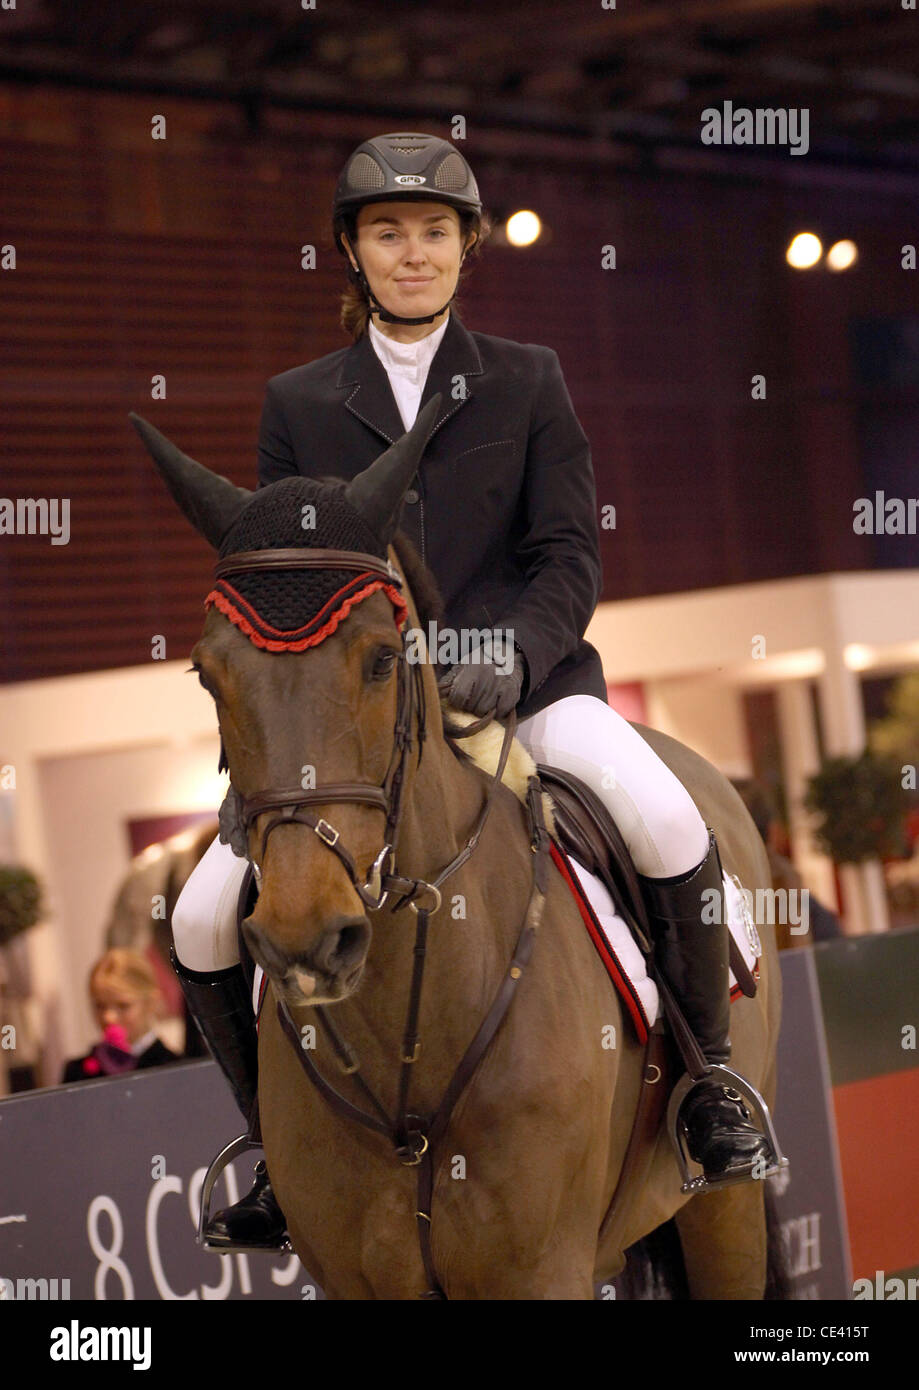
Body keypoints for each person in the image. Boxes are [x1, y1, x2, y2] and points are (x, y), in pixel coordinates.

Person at [171, 131, 782, 1250]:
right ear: (353, 253)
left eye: (435, 233)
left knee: (662, 815)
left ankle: (709, 1090)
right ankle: (273, 1152)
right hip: (364, 716)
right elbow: (294, 581)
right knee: (207, 909)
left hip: (526, 685)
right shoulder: (297, 402)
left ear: (466, 249)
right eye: (388, 233)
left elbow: (569, 555)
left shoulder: (528, 376)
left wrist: (514, 650)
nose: (413, 253)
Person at [61, 948, 178, 1083]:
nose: (108, 1017)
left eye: (123, 1006)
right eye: (100, 1006)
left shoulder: (174, 1068)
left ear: (150, 1003)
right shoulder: (78, 1072)